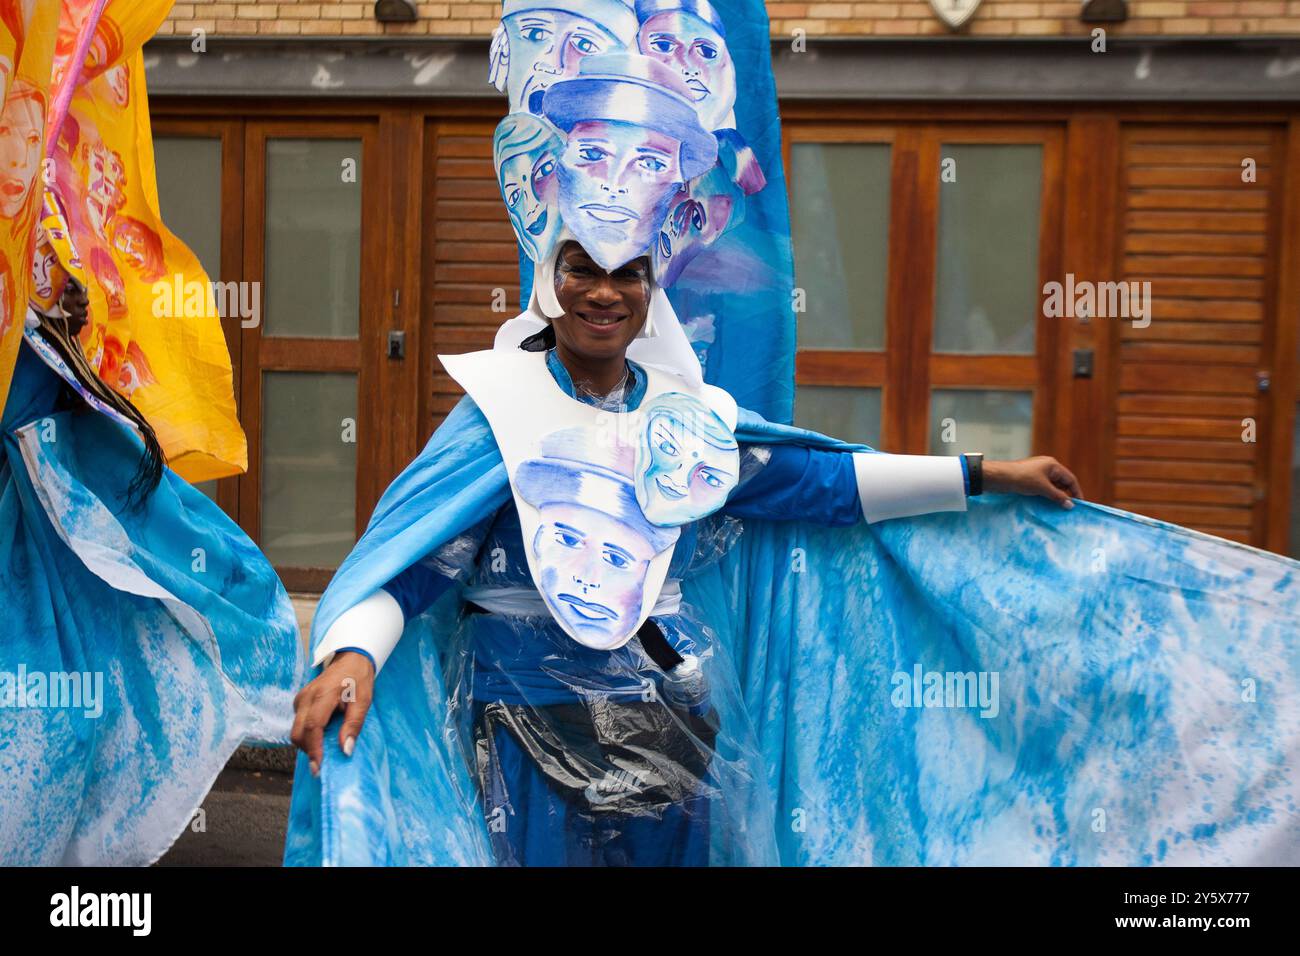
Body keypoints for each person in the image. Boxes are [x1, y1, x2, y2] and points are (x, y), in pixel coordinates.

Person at [285, 239, 1080, 866]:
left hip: (669, 715)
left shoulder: (687, 423)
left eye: (627, 273)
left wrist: (984, 474)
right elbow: (423, 557)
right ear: (546, 283)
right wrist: (354, 651)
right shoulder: (498, 417)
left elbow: (822, 484)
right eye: (581, 270)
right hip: (527, 716)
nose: (604, 291)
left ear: (649, 293)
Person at [0, 280, 303, 865]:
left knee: (73, 719)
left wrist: (57, 315)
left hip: (57, 532)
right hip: (32, 539)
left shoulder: (37, 333)